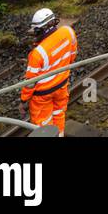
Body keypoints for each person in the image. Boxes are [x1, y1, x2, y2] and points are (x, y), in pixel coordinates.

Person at [20, 8, 78, 136]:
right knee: (59, 114)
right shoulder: (68, 32)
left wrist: (23, 101)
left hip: (42, 96)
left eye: (36, 31)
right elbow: (72, 56)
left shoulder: (37, 53)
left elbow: (30, 83)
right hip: (62, 86)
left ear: (42, 29)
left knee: (43, 123)